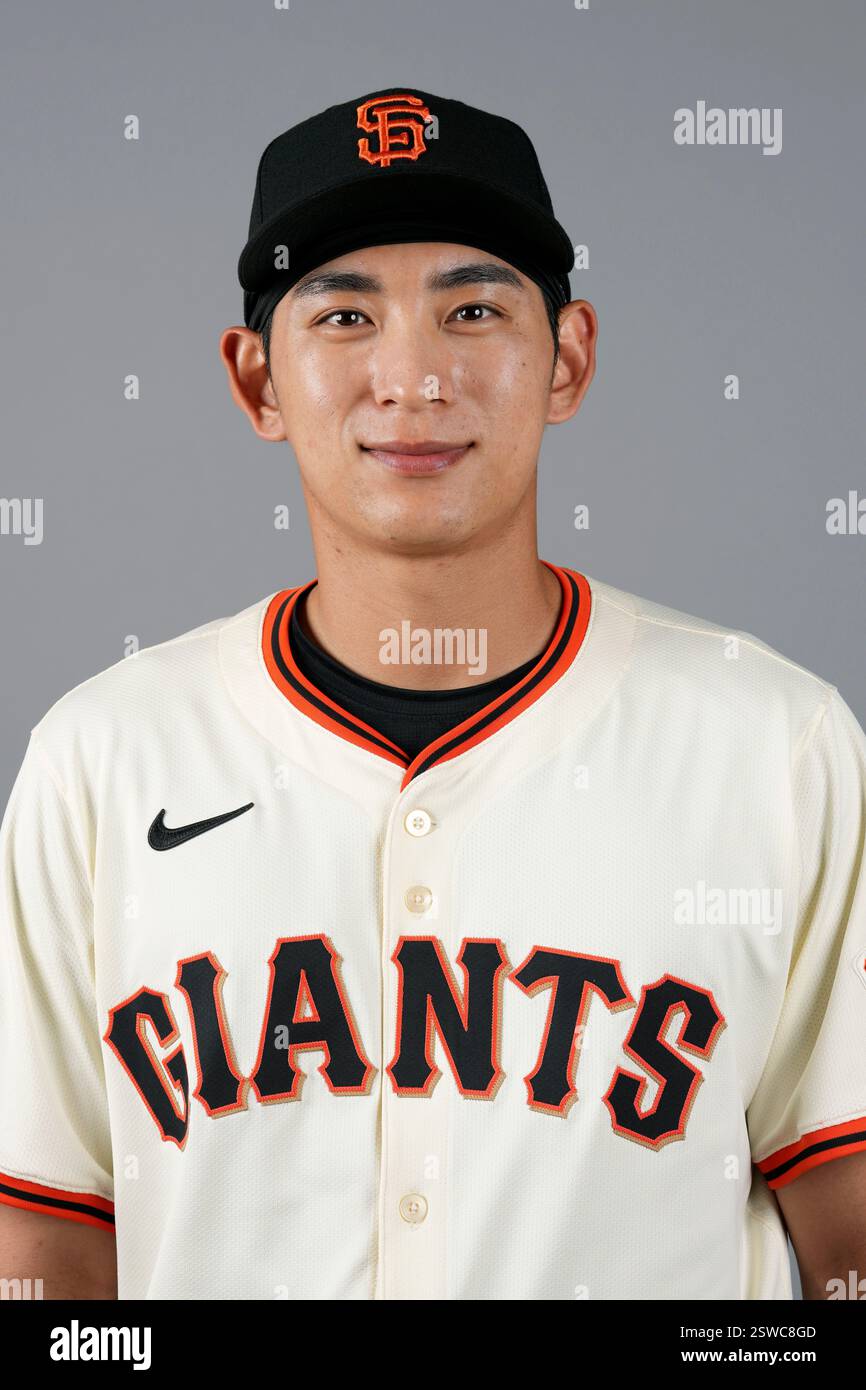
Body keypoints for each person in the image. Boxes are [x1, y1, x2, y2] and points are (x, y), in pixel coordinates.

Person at [1, 86, 865, 1301]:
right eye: (343, 313)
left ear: (567, 359)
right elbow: (43, 1240)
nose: (410, 376)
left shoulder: (774, 744)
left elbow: (850, 1233)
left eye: (472, 307)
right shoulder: (103, 759)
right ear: (256, 382)